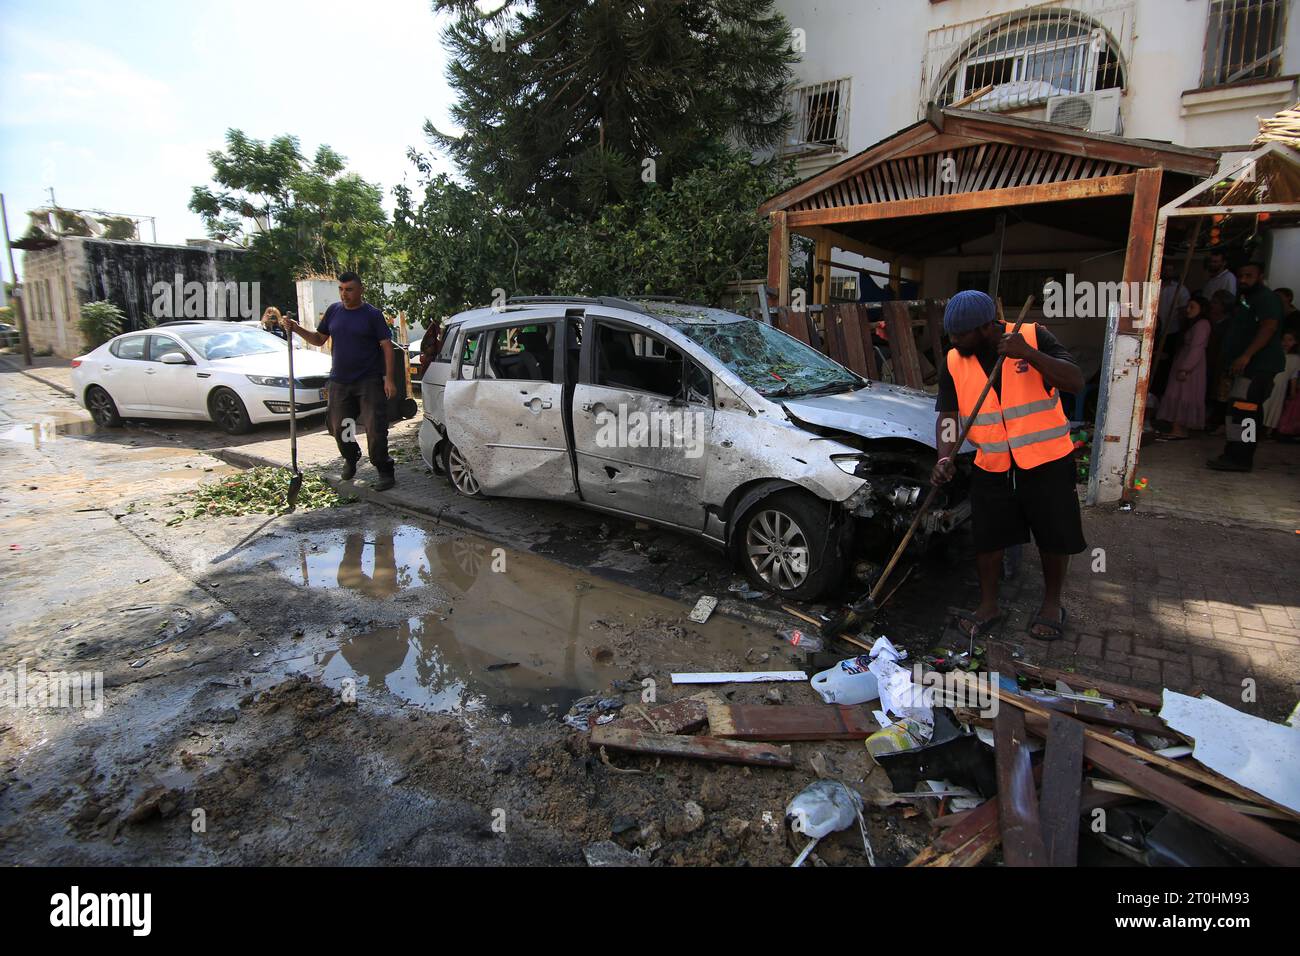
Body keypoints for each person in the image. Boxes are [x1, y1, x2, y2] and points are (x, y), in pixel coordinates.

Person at [932, 290, 1086, 642]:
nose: (954, 342)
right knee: (988, 537)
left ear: (987, 327)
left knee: (1053, 535)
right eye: (951, 336)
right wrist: (944, 456)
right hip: (993, 463)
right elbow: (947, 415)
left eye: (961, 335)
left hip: (1047, 460)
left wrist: (1029, 355)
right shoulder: (955, 360)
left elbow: (1075, 381)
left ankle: (1051, 604)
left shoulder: (1033, 336)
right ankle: (989, 606)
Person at [280, 272, 399, 490]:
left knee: (375, 430)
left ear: (361, 290)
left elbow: (387, 346)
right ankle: (351, 457)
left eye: (349, 289)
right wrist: (296, 328)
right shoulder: (334, 311)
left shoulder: (372, 315)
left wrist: (388, 379)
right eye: (341, 289)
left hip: (368, 381)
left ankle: (384, 471)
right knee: (339, 426)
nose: (344, 294)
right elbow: (318, 339)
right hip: (340, 382)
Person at [1208, 263, 1286, 472]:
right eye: (1241, 275)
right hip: (1246, 367)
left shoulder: (1266, 299)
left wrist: (1246, 355)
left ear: (1260, 276)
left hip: (1258, 367)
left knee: (1247, 413)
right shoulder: (1246, 299)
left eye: (1249, 276)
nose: (1243, 279)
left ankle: (1241, 457)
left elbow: (1269, 327)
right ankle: (1234, 453)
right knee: (1237, 411)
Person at [1156, 295, 1212, 439]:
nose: (1188, 310)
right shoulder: (1195, 324)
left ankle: (1178, 428)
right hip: (1185, 360)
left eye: (1192, 307)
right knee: (1178, 393)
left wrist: (1185, 368)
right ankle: (1177, 427)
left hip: (1191, 366)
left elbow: (1197, 348)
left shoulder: (1202, 324)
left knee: (1183, 394)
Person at [1263, 330, 1299, 436]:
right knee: (1265, 404)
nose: (1286, 342)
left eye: (1290, 340)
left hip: (1280, 387)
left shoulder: (1296, 358)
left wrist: (1292, 390)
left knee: (1275, 406)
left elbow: (1294, 375)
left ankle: (1268, 431)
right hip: (1269, 382)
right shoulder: (1275, 353)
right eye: (1283, 340)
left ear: (1295, 342)